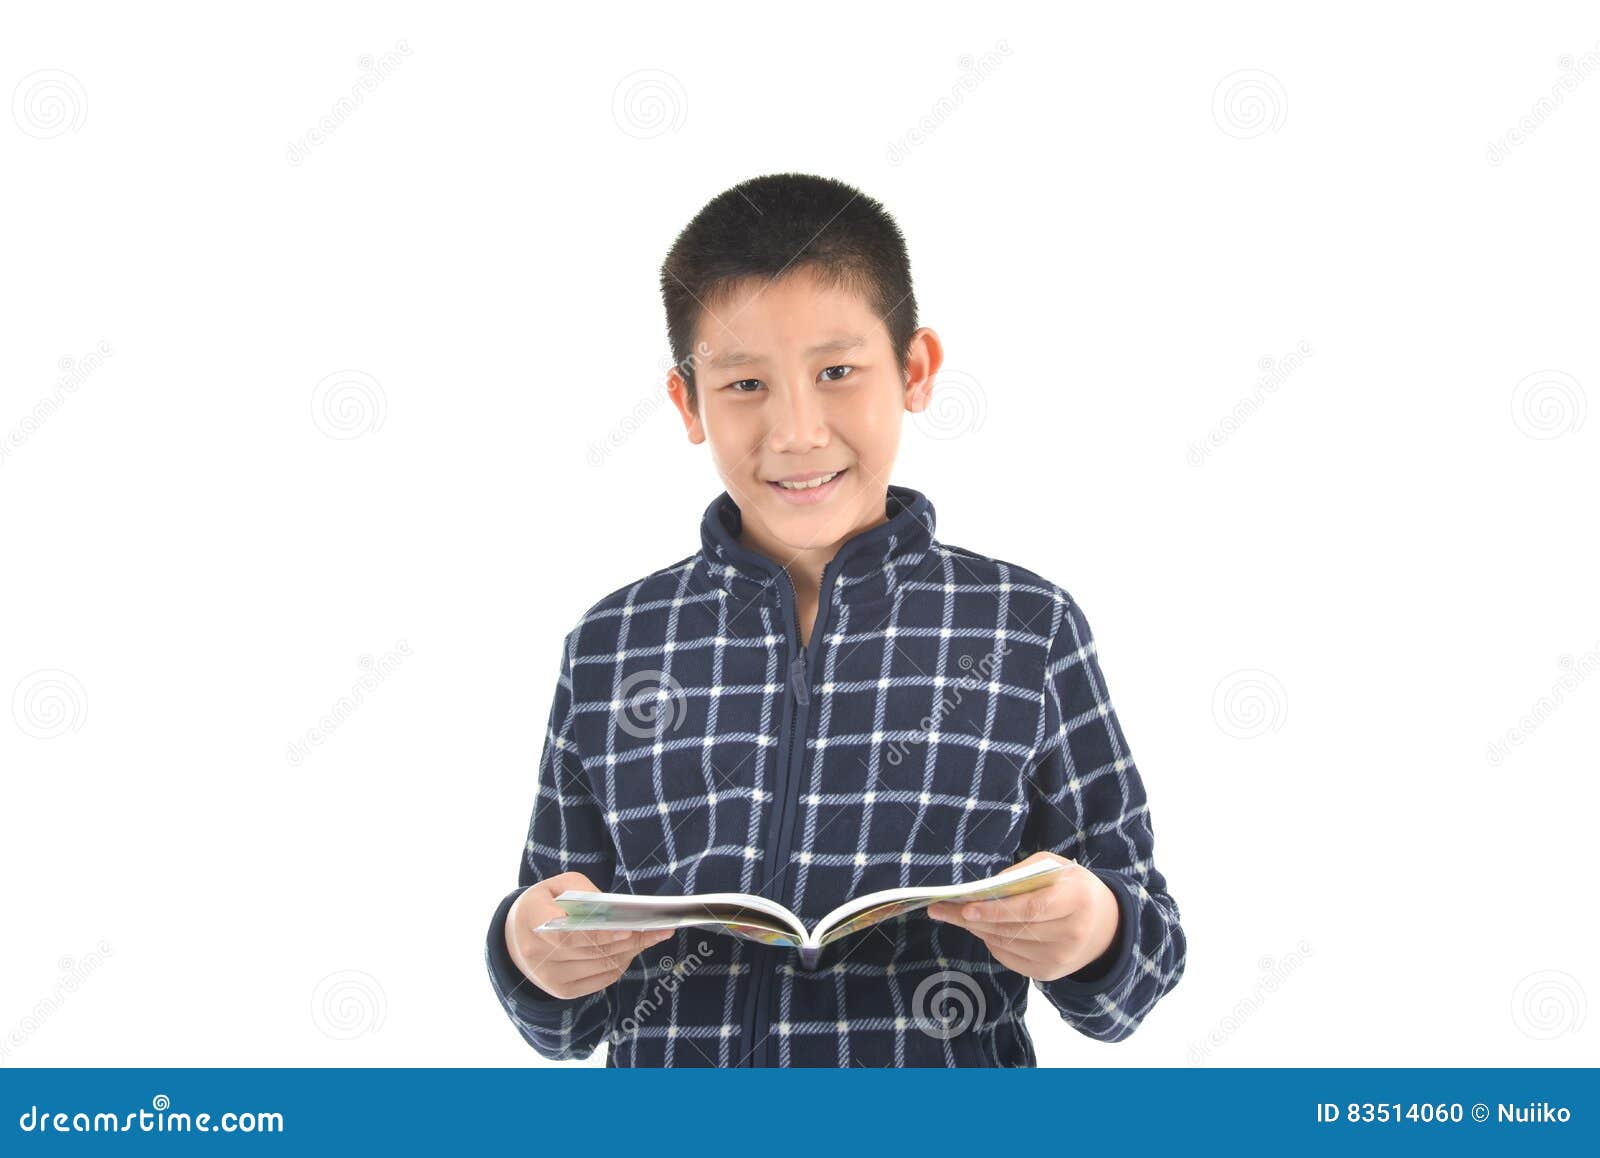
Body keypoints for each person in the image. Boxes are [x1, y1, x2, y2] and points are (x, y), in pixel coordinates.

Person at [485, 173, 1186, 1066]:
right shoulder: (613, 644)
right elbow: (561, 1011)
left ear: (916, 369)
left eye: (837, 373)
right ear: (688, 403)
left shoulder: (1025, 628)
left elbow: (1143, 964)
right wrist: (528, 952)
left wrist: (1094, 931)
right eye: (745, 384)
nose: (797, 431)